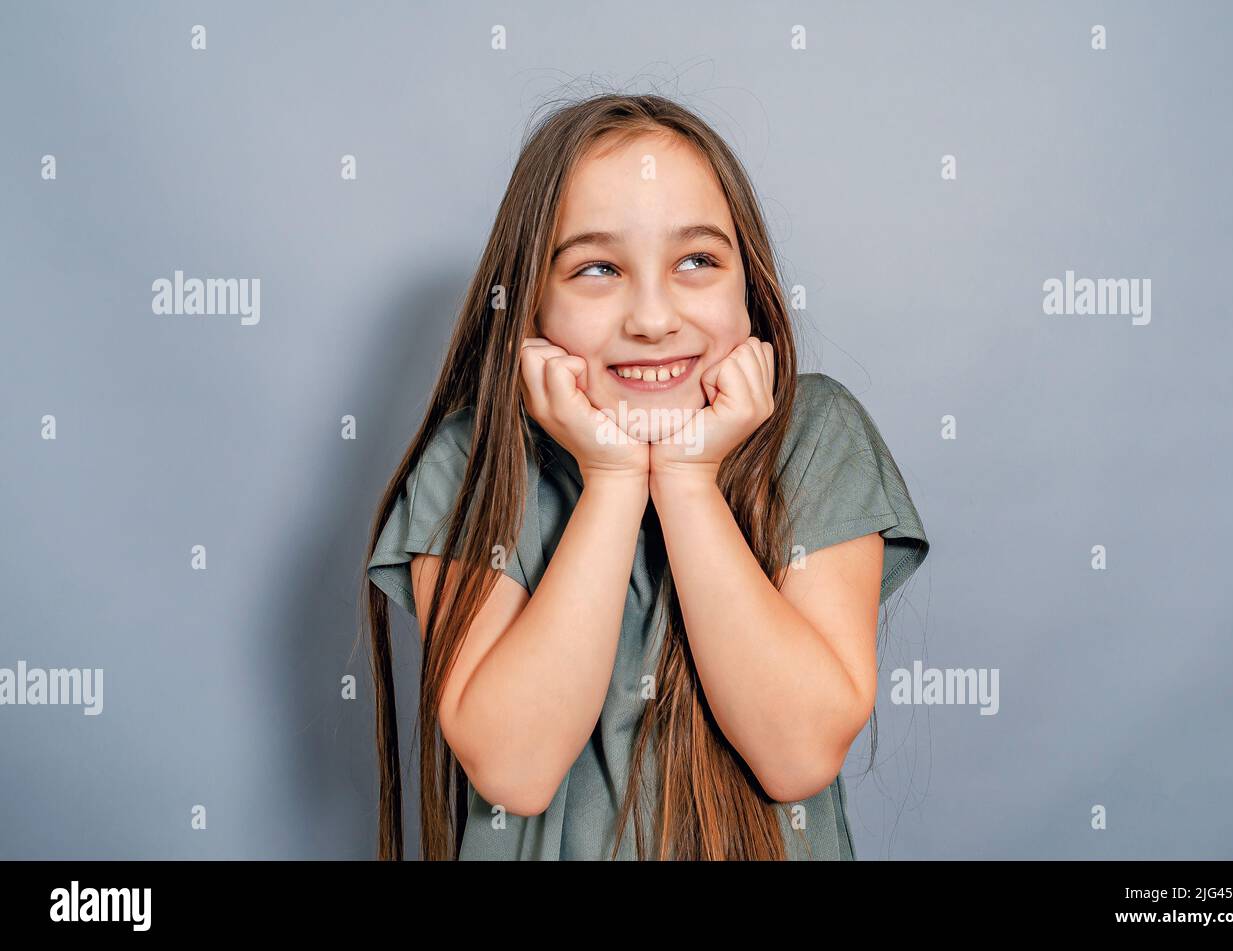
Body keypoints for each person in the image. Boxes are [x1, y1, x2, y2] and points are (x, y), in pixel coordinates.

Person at [362, 92, 930, 860]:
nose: (654, 317)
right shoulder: (473, 462)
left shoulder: (814, 437)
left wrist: (690, 481)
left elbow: (796, 753)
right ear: (530, 303)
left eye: (696, 261)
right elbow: (515, 768)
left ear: (748, 287)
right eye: (598, 268)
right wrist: (612, 478)